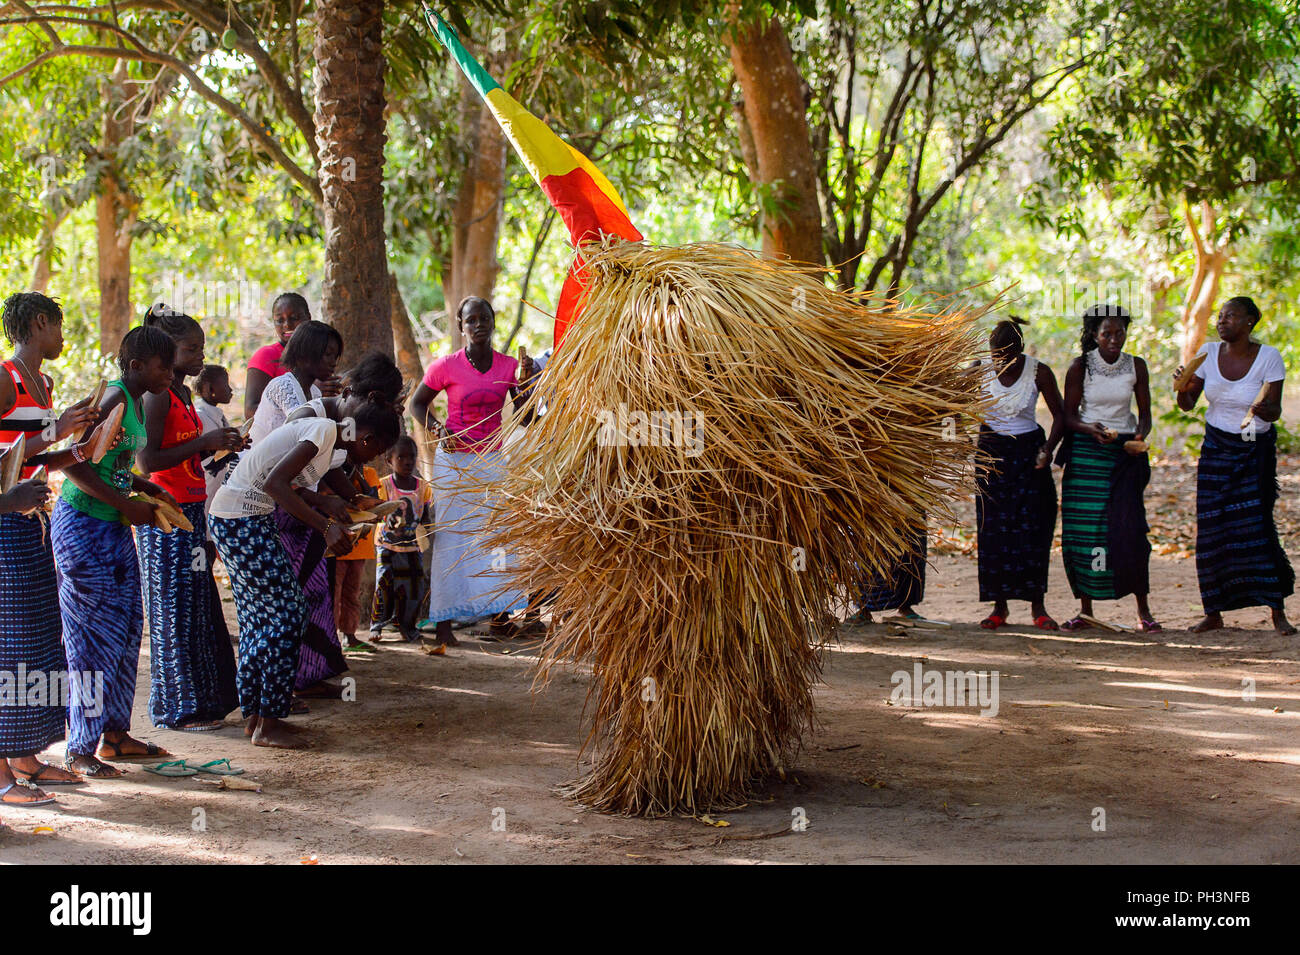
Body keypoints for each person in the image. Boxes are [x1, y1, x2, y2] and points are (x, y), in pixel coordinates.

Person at [208, 402, 401, 749]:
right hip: (241, 520)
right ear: (368, 438)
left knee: (260, 619)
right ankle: (268, 724)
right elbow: (274, 484)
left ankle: (255, 717)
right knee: (288, 614)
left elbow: (287, 485)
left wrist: (340, 505)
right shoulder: (324, 430)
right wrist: (326, 527)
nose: (373, 461)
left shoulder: (327, 439)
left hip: (238, 518)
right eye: (379, 451)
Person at [53, 325, 180, 778]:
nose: (170, 372)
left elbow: (115, 463)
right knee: (92, 638)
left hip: (113, 527)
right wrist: (128, 504)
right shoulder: (114, 398)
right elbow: (74, 464)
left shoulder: (138, 399)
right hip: (84, 526)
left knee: (127, 630)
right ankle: (79, 747)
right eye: (163, 365)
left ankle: (114, 735)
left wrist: (142, 489)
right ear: (135, 367)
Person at [0, 292, 101, 803]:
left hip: (33, 527)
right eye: (59, 326)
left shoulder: (42, 384)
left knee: (38, 644)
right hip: (6, 528)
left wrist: (75, 446)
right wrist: (56, 429)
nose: (63, 337)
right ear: (39, 323)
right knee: (8, 647)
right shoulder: (5, 379)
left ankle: (24, 757)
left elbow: (31, 456)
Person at [136, 305, 243, 732]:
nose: (200, 356)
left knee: (196, 605)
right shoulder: (157, 395)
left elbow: (184, 450)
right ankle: (174, 709)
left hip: (194, 507)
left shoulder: (181, 393)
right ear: (168, 348)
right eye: (191, 348)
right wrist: (206, 440)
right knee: (172, 609)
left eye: (201, 347)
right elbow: (147, 461)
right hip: (168, 512)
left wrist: (215, 446)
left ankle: (202, 702)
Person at [409, 296, 536, 646]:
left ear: (494, 323)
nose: (478, 325)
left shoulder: (511, 366)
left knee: (497, 537)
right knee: (452, 539)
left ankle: (500, 617)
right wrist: (437, 431)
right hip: (455, 466)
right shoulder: (446, 366)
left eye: (484, 318)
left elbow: (525, 416)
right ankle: (445, 624)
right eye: (471, 320)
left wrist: (528, 386)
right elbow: (416, 404)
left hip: (492, 462)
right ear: (460, 327)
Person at [1175, 297, 1295, 634]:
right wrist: (1181, 384)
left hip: (1252, 451)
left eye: (1231, 316)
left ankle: (1276, 611)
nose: (1222, 320)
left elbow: (1275, 411)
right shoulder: (1209, 354)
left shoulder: (1269, 358)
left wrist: (1261, 410)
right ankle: (1213, 612)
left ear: (1250, 322)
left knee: (1256, 527)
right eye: (1221, 315)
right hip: (1216, 448)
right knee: (1212, 528)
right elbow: (1187, 404)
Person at [1058, 304, 1160, 632]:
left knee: (1129, 530)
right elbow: (1068, 417)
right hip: (1088, 453)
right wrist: (1093, 429)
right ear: (1094, 335)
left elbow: (1145, 413)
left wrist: (1141, 435)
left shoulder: (1137, 366)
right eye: (1107, 333)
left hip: (1125, 454)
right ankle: (1086, 608)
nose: (1114, 339)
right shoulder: (1080, 367)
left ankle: (1143, 610)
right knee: (1084, 530)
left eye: (1120, 333)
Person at [974, 317, 1065, 630]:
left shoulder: (1039, 371)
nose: (1002, 361)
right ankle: (999, 607)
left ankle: (1038, 606)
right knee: (993, 530)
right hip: (990, 456)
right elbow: (949, 403)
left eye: (1008, 354)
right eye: (996, 354)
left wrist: (1048, 449)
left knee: (1033, 529)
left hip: (1029, 455)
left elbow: (1061, 416)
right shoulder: (978, 369)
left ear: (1021, 349)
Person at [370, 436, 434, 643]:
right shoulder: (384, 486)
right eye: (401, 457)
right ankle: (377, 625)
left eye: (412, 457)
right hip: (387, 546)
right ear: (389, 460)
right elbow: (376, 513)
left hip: (412, 548)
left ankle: (407, 626)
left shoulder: (422, 488)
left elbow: (425, 517)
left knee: (415, 587)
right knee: (384, 584)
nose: (407, 462)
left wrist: (427, 533)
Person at [248, 319, 343, 446]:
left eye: (335, 356)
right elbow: (305, 433)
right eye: (328, 354)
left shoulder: (314, 392)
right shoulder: (284, 386)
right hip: (256, 464)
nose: (333, 362)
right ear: (304, 353)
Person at [244, 292, 308, 421]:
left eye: (294, 318)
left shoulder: (318, 354)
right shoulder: (266, 356)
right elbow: (251, 411)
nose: (287, 325)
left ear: (309, 318)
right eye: (280, 320)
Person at [336, 465, 380, 652]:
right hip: (337, 545)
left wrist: (357, 474)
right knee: (333, 594)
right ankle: (331, 637)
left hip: (360, 545)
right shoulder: (333, 472)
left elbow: (374, 500)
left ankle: (349, 634)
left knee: (352, 594)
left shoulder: (369, 473)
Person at [195, 363, 238, 514]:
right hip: (207, 483)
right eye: (226, 385)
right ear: (210, 389)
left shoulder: (216, 415)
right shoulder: (200, 416)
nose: (230, 390)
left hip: (217, 483)